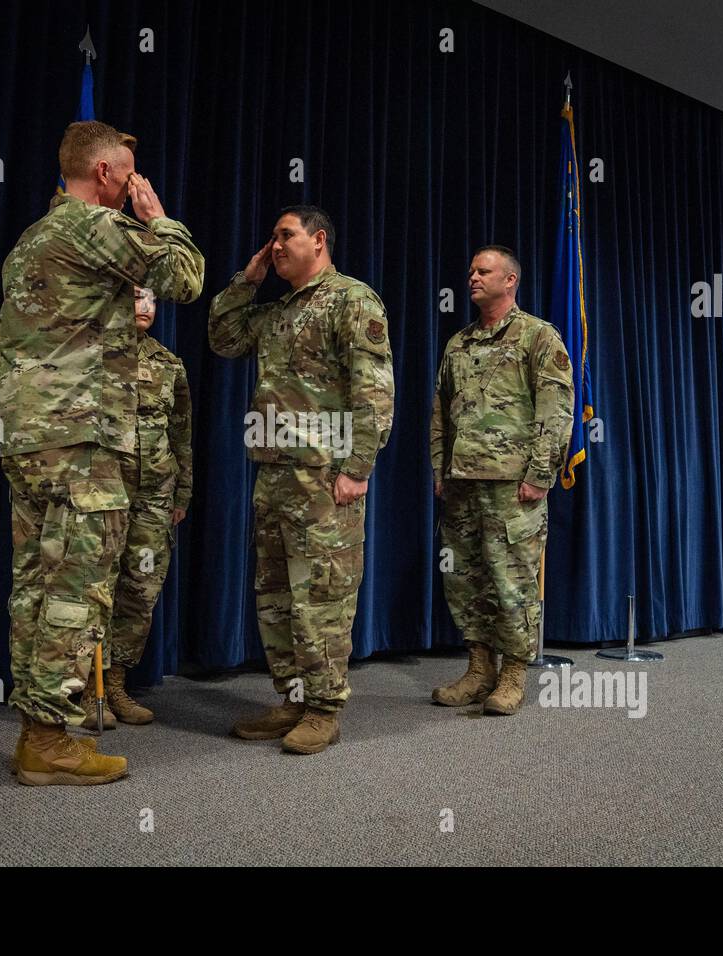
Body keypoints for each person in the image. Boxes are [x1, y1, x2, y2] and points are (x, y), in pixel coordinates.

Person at [0, 120, 204, 784]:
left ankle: (40, 726)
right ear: (106, 174)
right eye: (128, 172)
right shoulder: (90, 226)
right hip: (80, 435)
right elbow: (185, 278)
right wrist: (158, 215)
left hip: (32, 434)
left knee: (36, 584)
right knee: (79, 586)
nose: (133, 182)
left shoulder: (35, 237)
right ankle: (49, 739)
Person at [208, 206, 394, 754]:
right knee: (277, 596)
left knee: (322, 595)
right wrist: (248, 279)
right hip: (274, 473)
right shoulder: (277, 311)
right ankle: (291, 697)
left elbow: (374, 393)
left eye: (285, 236)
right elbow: (223, 337)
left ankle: (323, 706)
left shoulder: (352, 300)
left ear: (318, 240)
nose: (276, 244)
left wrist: (357, 469)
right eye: (272, 237)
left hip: (323, 476)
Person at [430, 246, 574, 714]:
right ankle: (479, 669)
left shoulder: (538, 337)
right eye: (470, 269)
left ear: (509, 280)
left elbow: (557, 411)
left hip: (513, 486)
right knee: (465, 580)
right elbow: (440, 416)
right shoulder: (459, 343)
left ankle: (512, 675)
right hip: (462, 484)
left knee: (511, 581)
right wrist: (440, 470)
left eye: (483, 270)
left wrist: (540, 474)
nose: (472, 276)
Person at [76, 286, 191, 728]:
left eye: (152, 301)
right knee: (95, 588)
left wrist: (182, 495)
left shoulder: (169, 364)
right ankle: (88, 689)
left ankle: (116, 683)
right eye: (135, 297)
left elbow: (181, 435)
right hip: (103, 492)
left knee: (139, 592)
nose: (144, 308)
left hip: (155, 496)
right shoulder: (91, 354)